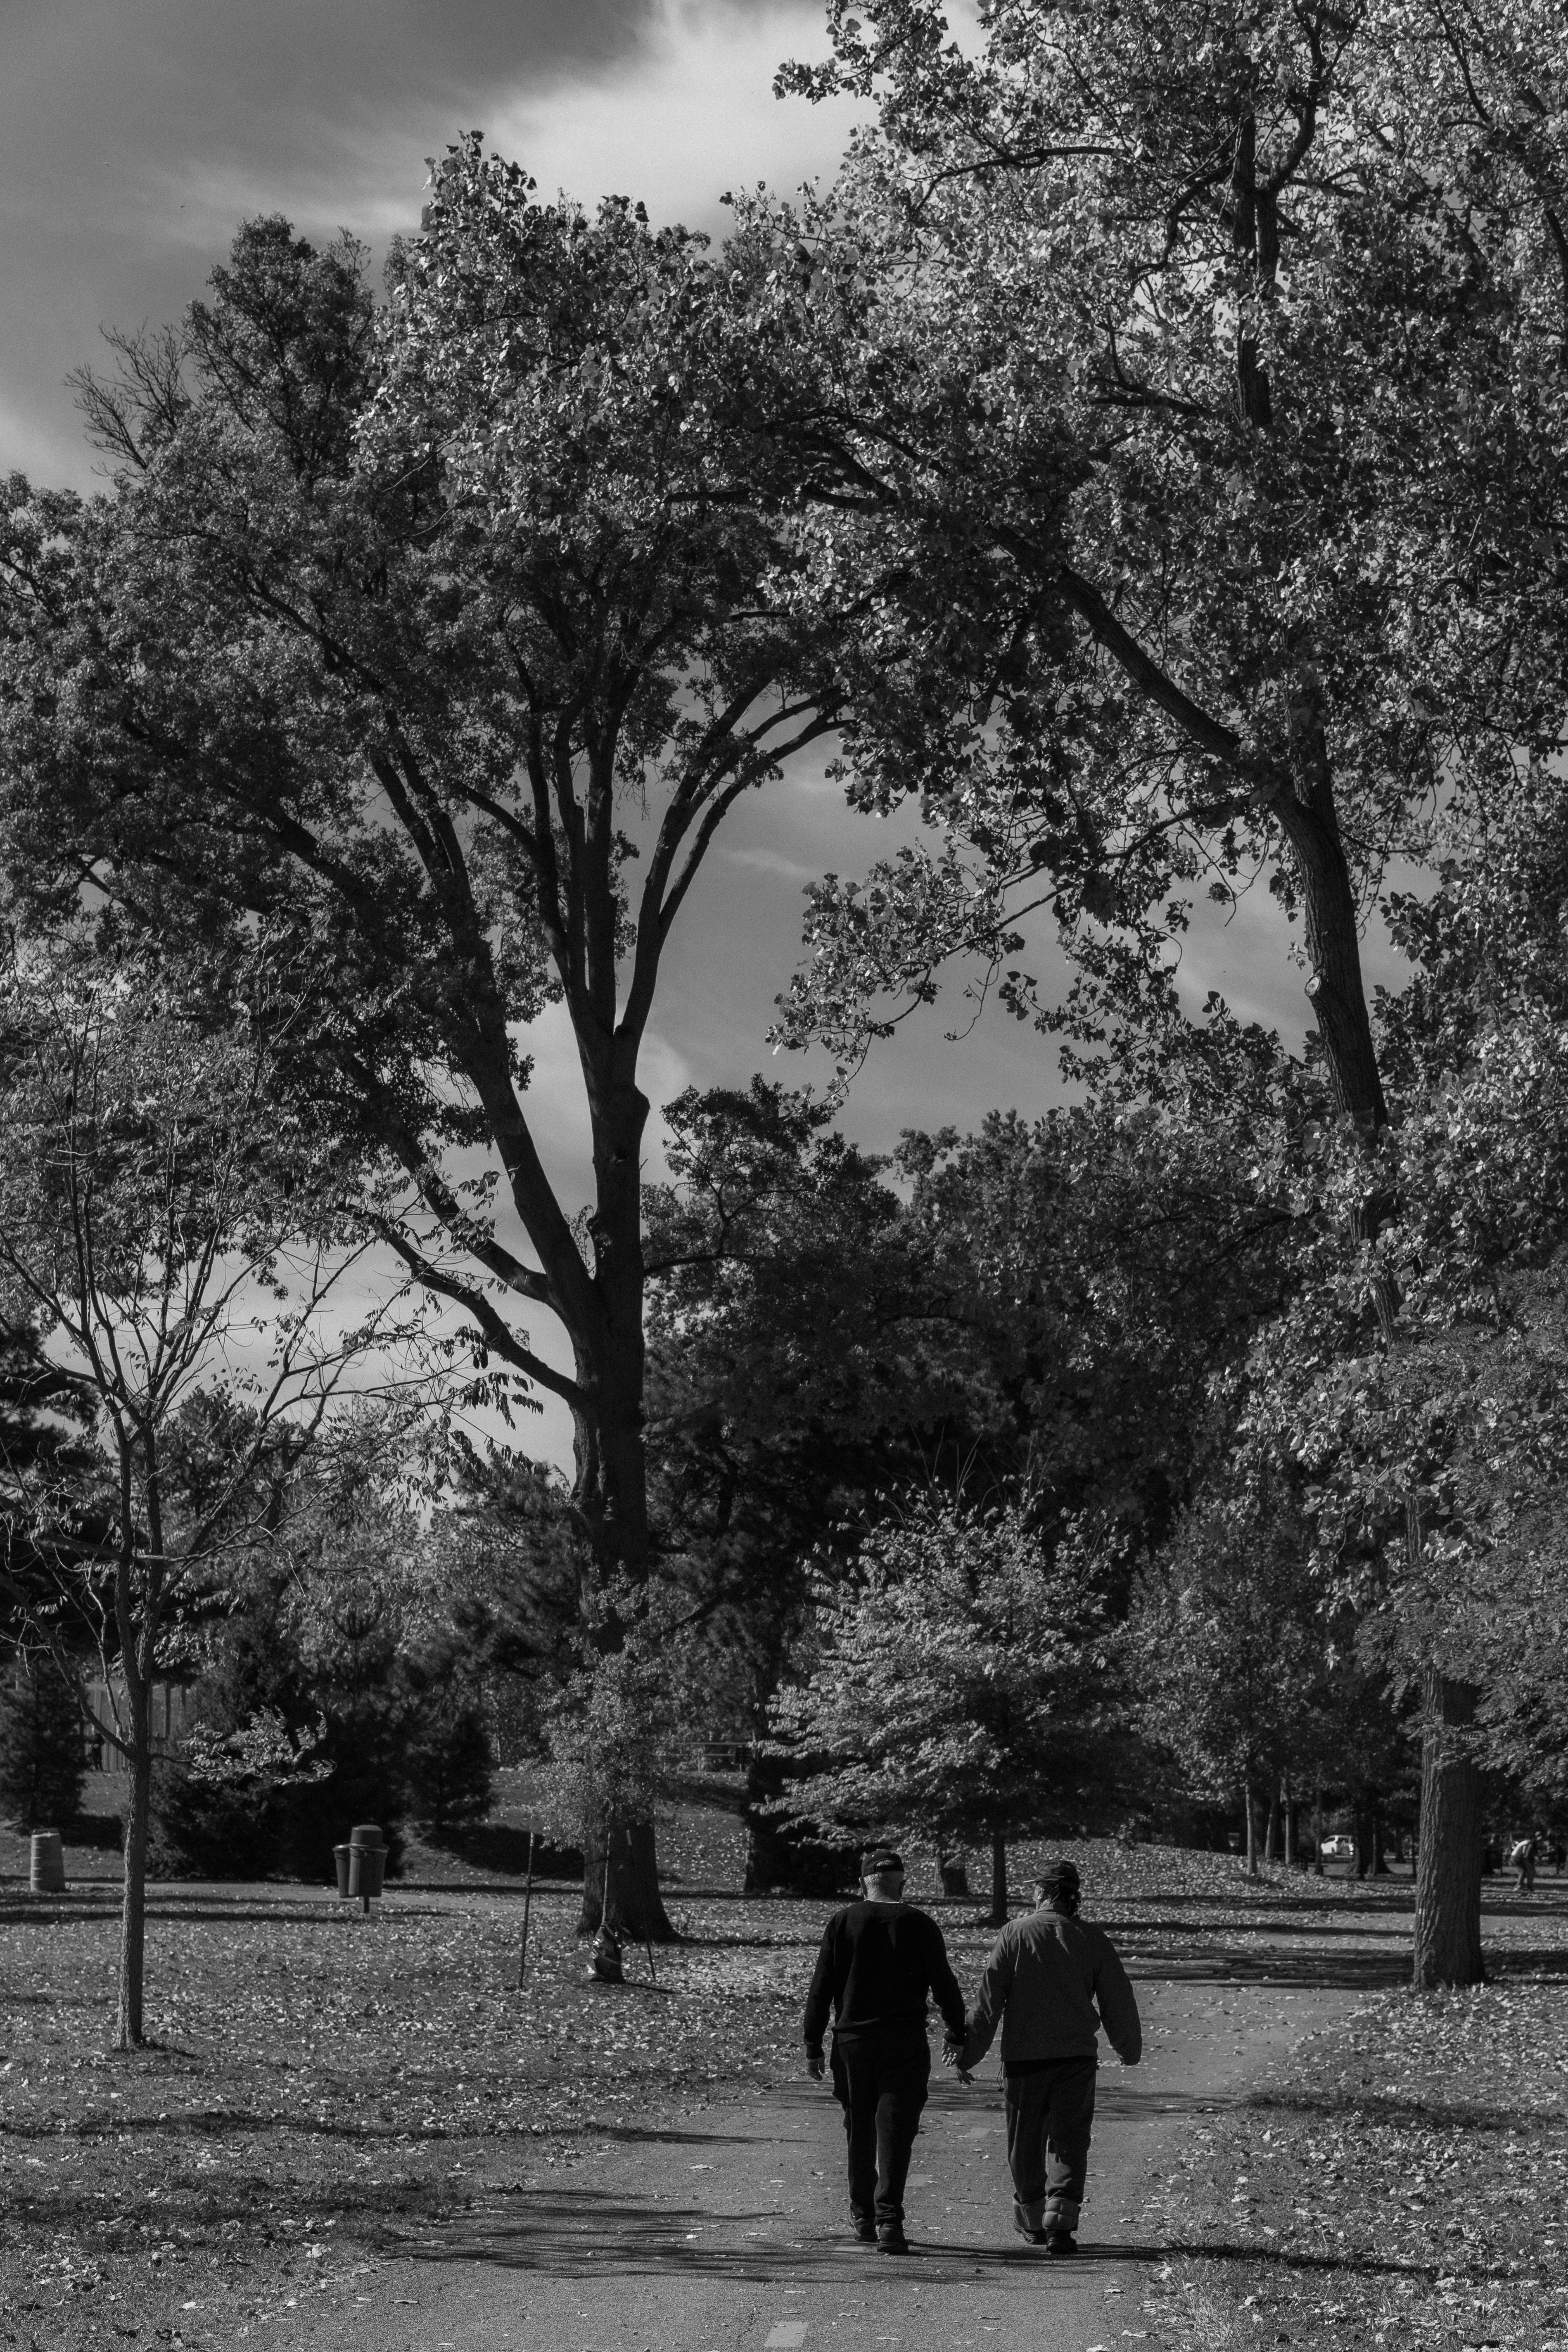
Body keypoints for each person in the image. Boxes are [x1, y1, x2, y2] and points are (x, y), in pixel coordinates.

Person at [954, 1858, 1141, 2257]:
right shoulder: (1092, 1938)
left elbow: (989, 2003)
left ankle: (1033, 2219)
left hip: (1024, 2060)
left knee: (1024, 2145)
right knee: (1070, 2142)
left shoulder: (1013, 1934)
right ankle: (1060, 2225)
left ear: (1042, 1892)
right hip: (1075, 2058)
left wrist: (967, 2055)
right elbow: (1117, 1999)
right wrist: (1128, 2047)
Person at [802, 1847, 967, 2255]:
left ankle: (862, 2214)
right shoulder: (920, 1923)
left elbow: (821, 1985)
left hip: (852, 2041)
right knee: (896, 2128)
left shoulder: (842, 1922)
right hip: (904, 2041)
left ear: (863, 1882)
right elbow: (943, 1982)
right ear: (902, 1883)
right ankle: (889, 2218)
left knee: (859, 2124)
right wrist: (956, 2030)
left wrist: (812, 2041)